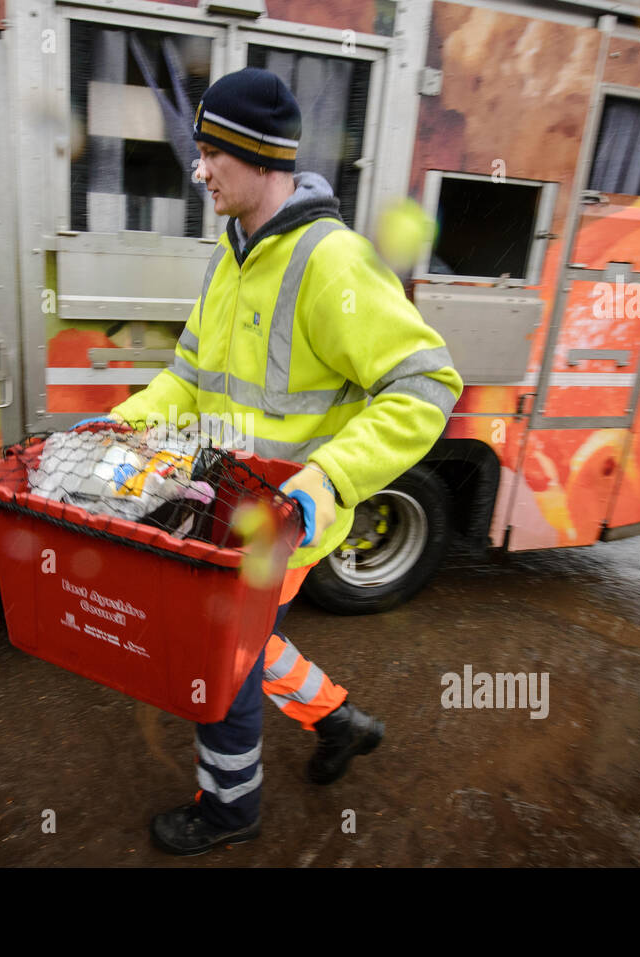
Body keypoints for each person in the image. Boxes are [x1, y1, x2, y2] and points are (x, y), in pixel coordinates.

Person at [107, 67, 463, 855]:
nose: (197, 170)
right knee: (238, 643)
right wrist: (116, 425)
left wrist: (328, 482)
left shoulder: (332, 261)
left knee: (218, 663)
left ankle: (231, 810)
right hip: (228, 508)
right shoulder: (230, 253)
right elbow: (189, 377)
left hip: (289, 521)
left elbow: (427, 383)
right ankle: (340, 720)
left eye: (209, 153)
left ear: (256, 156)